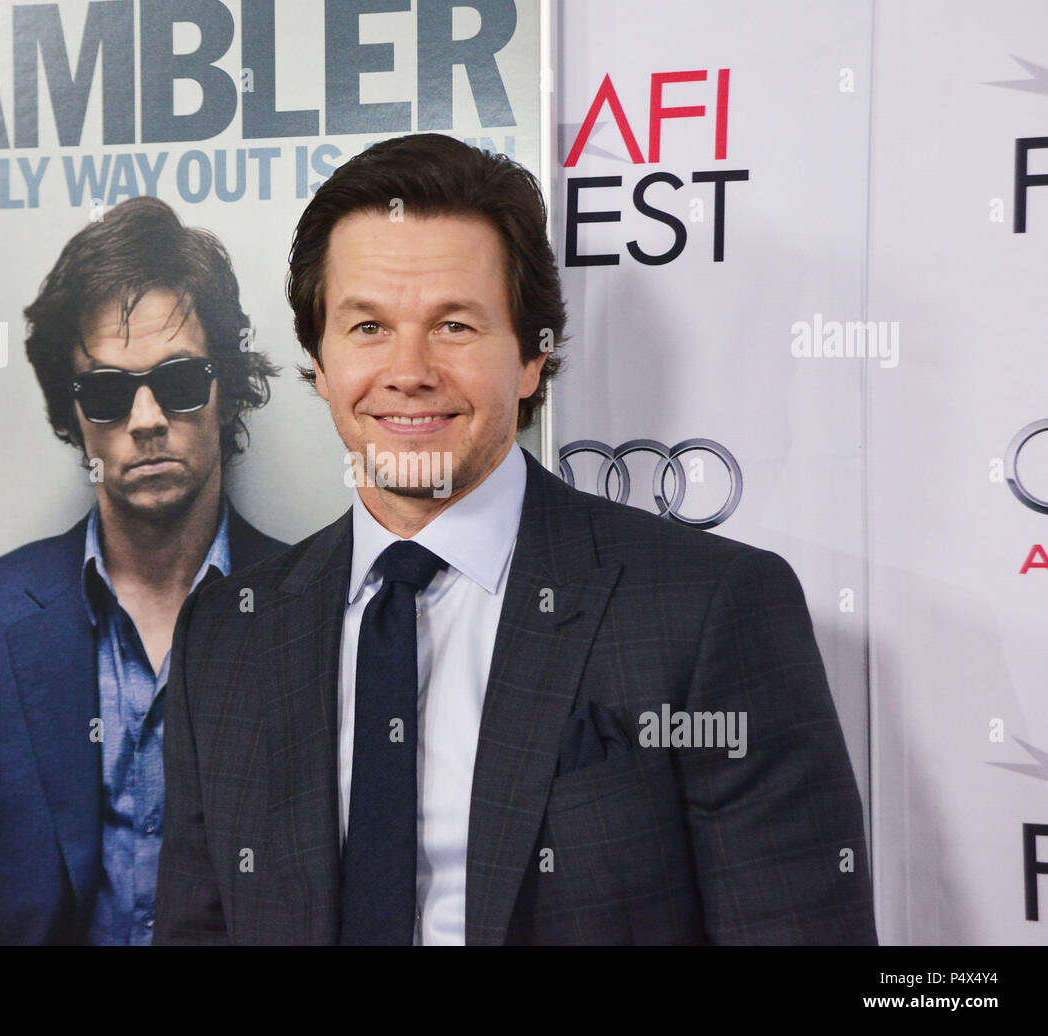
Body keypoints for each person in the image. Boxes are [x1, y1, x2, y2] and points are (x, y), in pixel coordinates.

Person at [152, 133, 877, 945]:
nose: (409, 369)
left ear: (533, 358)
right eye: (367, 328)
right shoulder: (228, 632)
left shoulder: (708, 611)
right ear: (318, 362)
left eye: (455, 326)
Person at [0, 197, 286, 944]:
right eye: (107, 390)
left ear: (225, 387)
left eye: (181, 379)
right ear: (72, 416)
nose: (148, 417)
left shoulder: (319, 612)